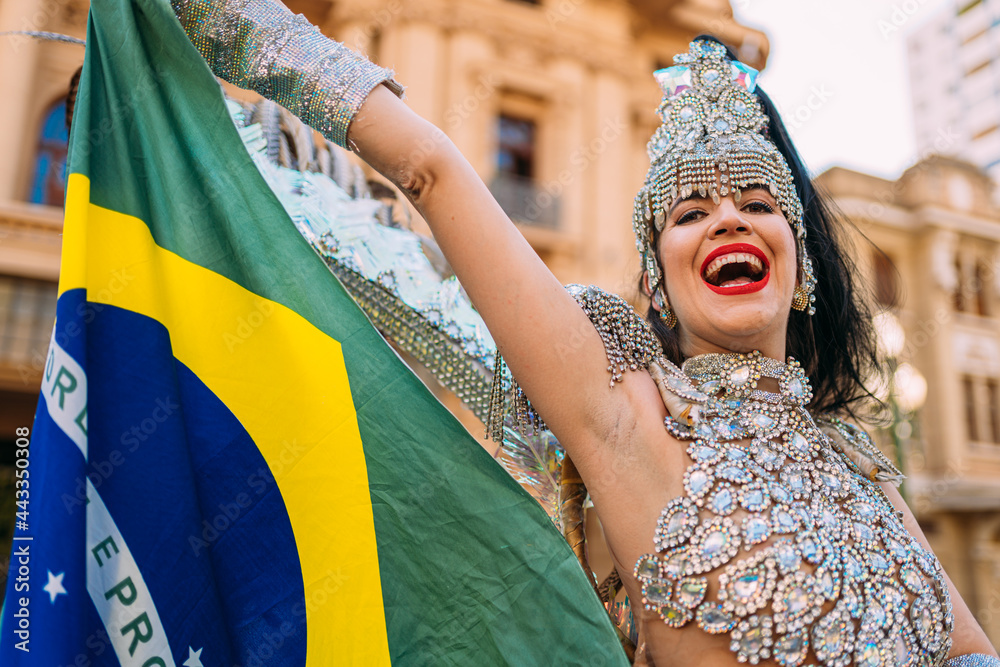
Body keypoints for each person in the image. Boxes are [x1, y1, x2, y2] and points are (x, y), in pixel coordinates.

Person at [172, 2, 999, 664]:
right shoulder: (625, 414)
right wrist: (219, 15)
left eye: (756, 203)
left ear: (800, 262)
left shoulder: (860, 463)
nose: (726, 222)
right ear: (658, 276)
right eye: (689, 212)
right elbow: (430, 167)